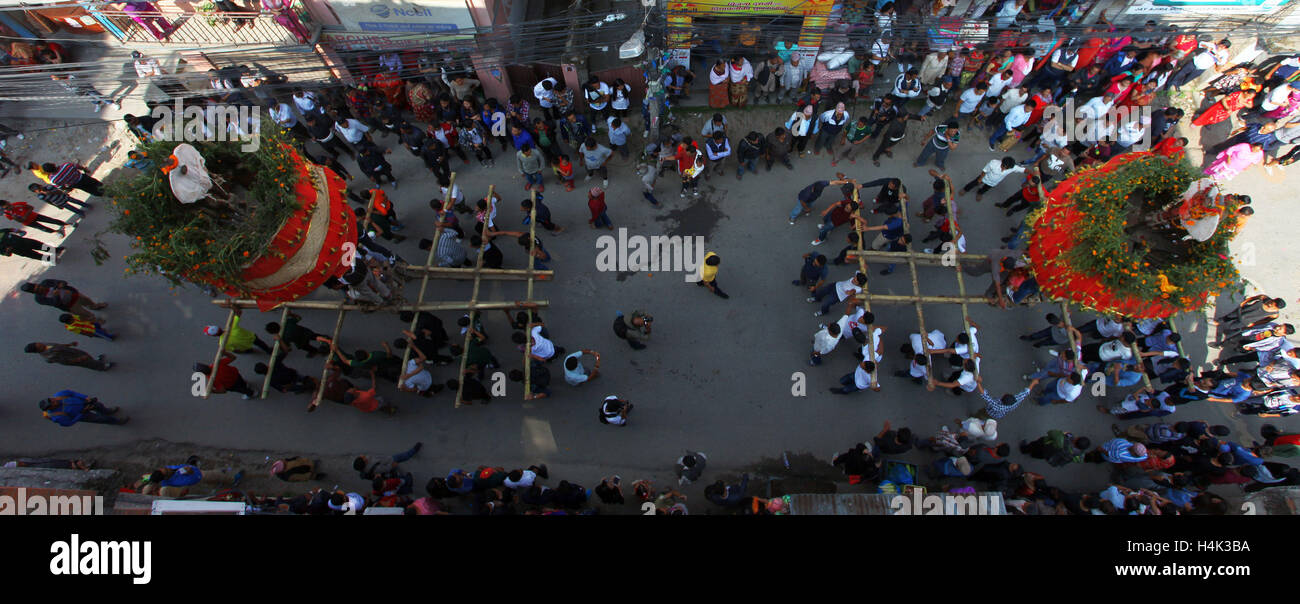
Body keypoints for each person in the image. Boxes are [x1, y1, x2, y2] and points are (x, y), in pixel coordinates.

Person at [20, 279, 106, 321]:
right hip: (70, 305)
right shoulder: (39, 299)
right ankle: (95, 321)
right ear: (35, 292)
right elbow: (55, 304)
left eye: (38, 286)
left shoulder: (46, 282)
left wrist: (61, 284)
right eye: (38, 290)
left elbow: (61, 282)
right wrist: (56, 295)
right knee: (84, 314)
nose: (41, 288)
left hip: (73, 294)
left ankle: (95, 306)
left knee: (87, 300)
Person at [205, 307, 273, 354]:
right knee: (261, 344)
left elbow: (234, 350)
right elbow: (239, 312)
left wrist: (242, 351)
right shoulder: (231, 325)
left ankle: (251, 351)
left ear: (214, 336)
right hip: (252, 337)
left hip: (245, 347)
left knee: (249, 350)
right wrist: (233, 306)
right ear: (219, 327)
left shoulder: (222, 343)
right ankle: (268, 351)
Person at [40, 390, 127, 426]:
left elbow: (72, 393)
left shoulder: (59, 395)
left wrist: (85, 397)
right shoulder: (57, 416)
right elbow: (68, 423)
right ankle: (116, 421)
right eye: (53, 402)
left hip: (85, 403)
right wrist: (81, 414)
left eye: (52, 399)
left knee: (99, 406)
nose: (55, 400)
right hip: (83, 414)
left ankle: (107, 411)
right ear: (51, 407)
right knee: (100, 418)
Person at [24, 341, 111, 371]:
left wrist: (69, 344)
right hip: (73, 358)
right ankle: (102, 367)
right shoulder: (50, 356)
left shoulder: (44, 344)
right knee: (87, 363)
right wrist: (79, 359)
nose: (40, 343)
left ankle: (96, 361)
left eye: (38, 343)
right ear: (37, 350)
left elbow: (57, 345)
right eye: (38, 345)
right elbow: (65, 361)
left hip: (71, 351)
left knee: (87, 355)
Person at [0, 200, 66, 235]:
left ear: (8, 202)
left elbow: (31, 207)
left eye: (9, 205)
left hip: (35, 216)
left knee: (51, 220)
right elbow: (20, 221)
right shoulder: (8, 215)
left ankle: (66, 224)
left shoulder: (17, 204)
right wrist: (15, 218)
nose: (10, 207)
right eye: (7, 208)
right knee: (44, 229)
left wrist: (25, 216)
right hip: (29, 223)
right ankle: (56, 232)